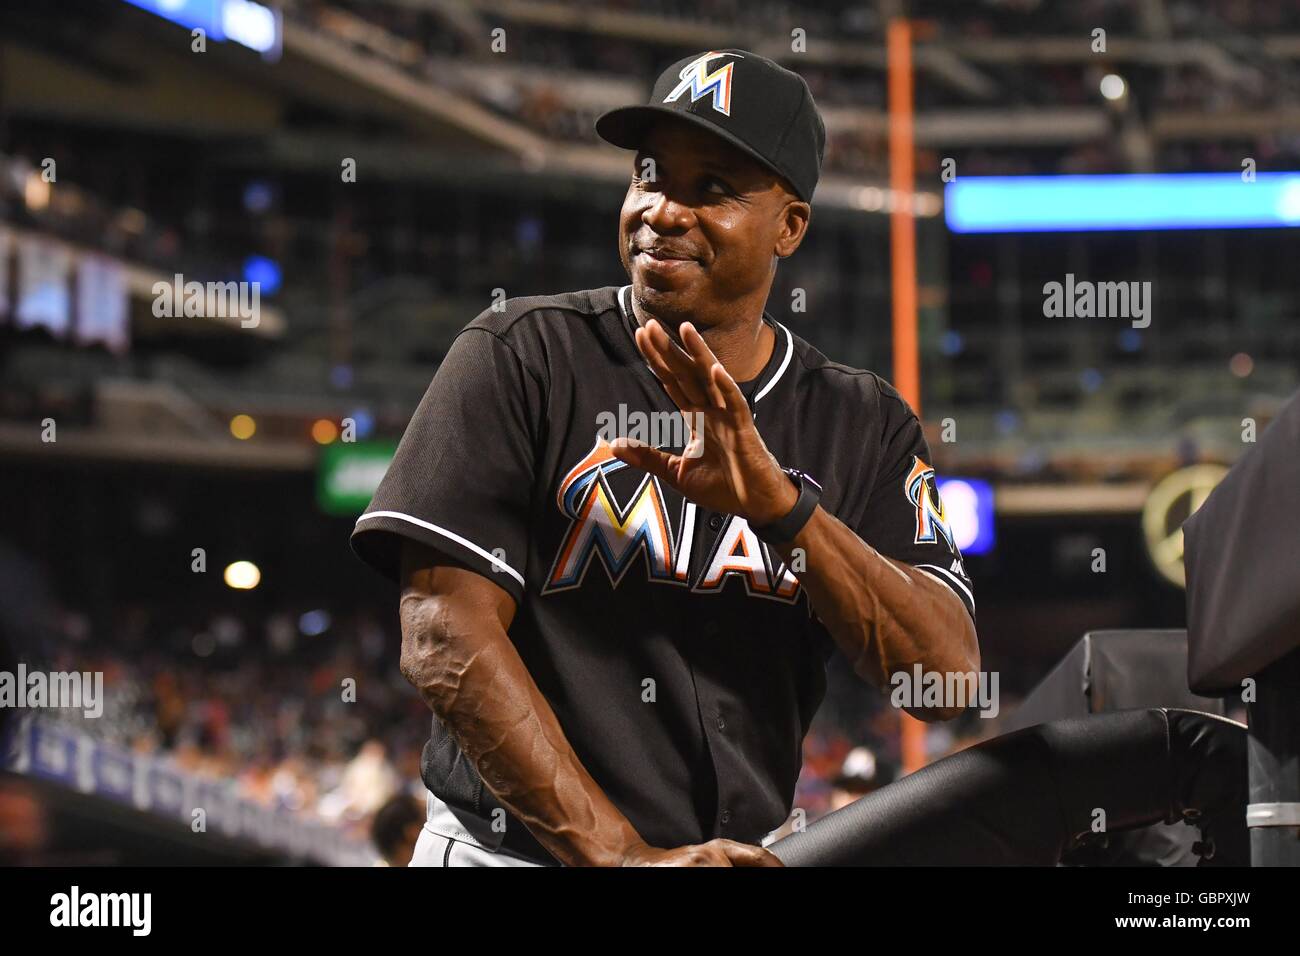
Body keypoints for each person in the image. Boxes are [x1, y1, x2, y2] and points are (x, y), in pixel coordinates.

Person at [352, 49, 978, 867]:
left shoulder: (860, 421)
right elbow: (443, 636)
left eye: (710, 187)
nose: (662, 210)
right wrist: (620, 859)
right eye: (649, 176)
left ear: (790, 225)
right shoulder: (523, 356)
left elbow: (947, 681)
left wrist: (787, 513)